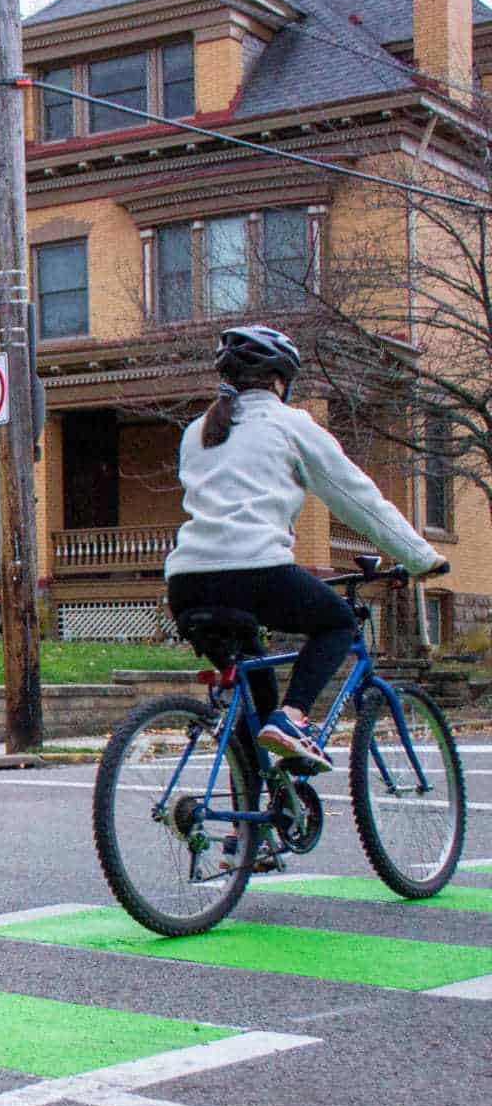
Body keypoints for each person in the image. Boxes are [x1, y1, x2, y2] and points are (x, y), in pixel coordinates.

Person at [164, 325, 447, 773]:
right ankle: (294, 720)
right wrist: (420, 557)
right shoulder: (291, 425)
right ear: (281, 380)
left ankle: (248, 827)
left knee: (255, 700)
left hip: (185, 583)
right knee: (338, 624)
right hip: (254, 571)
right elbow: (359, 499)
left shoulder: (198, 431)